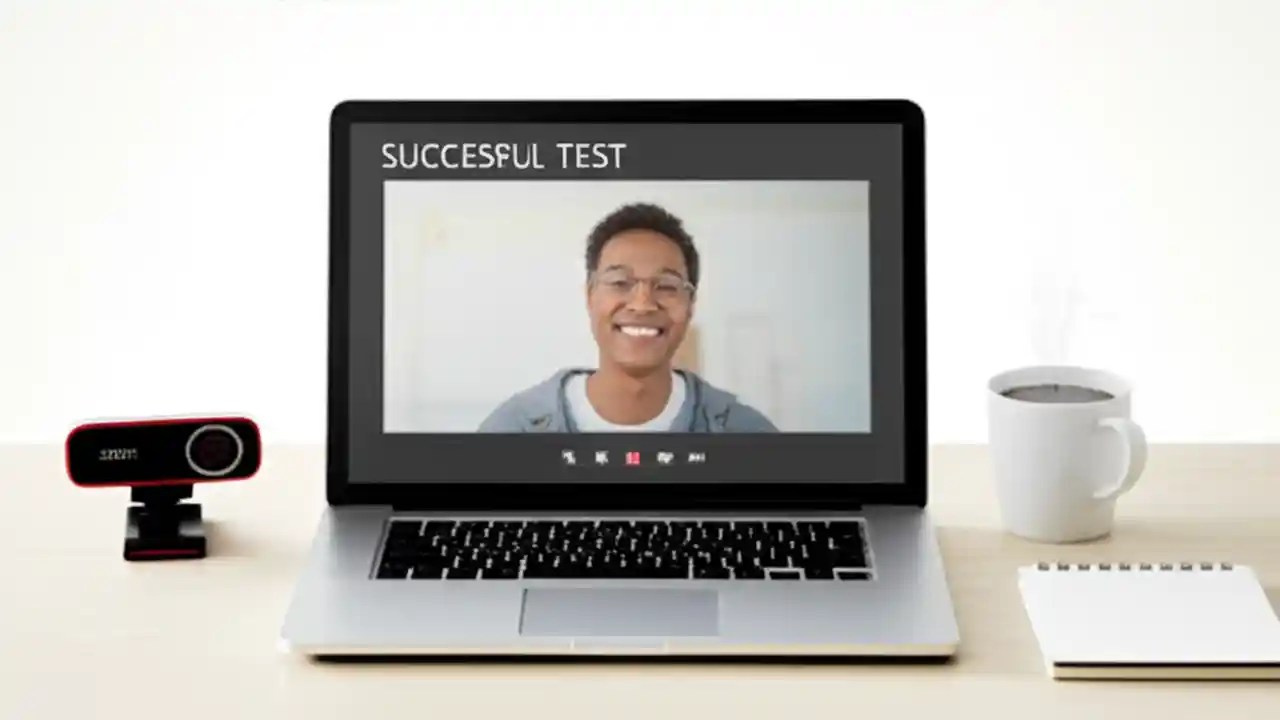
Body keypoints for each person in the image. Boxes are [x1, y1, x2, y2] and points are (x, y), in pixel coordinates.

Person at [479, 202, 779, 433]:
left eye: (666, 286)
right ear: (589, 296)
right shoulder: (512, 430)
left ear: (691, 305)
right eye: (620, 282)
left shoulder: (744, 432)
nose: (643, 304)